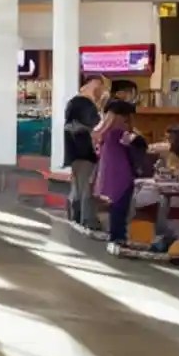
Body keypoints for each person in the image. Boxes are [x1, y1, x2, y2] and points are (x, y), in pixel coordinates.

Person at [94, 101, 146, 253]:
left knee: (115, 207)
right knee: (120, 208)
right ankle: (118, 237)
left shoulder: (104, 133)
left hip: (110, 174)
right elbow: (141, 144)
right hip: (123, 174)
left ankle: (115, 236)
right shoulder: (120, 133)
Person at [63, 75, 106, 230]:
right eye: (97, 85)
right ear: (87, 85)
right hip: (85, 151)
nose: (99, 89)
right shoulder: (85, 103)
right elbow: (96, 125)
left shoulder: (73, 103)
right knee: (87, 186)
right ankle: (88, 219)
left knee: (78, 185)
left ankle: (75, 217)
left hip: (74, 151)